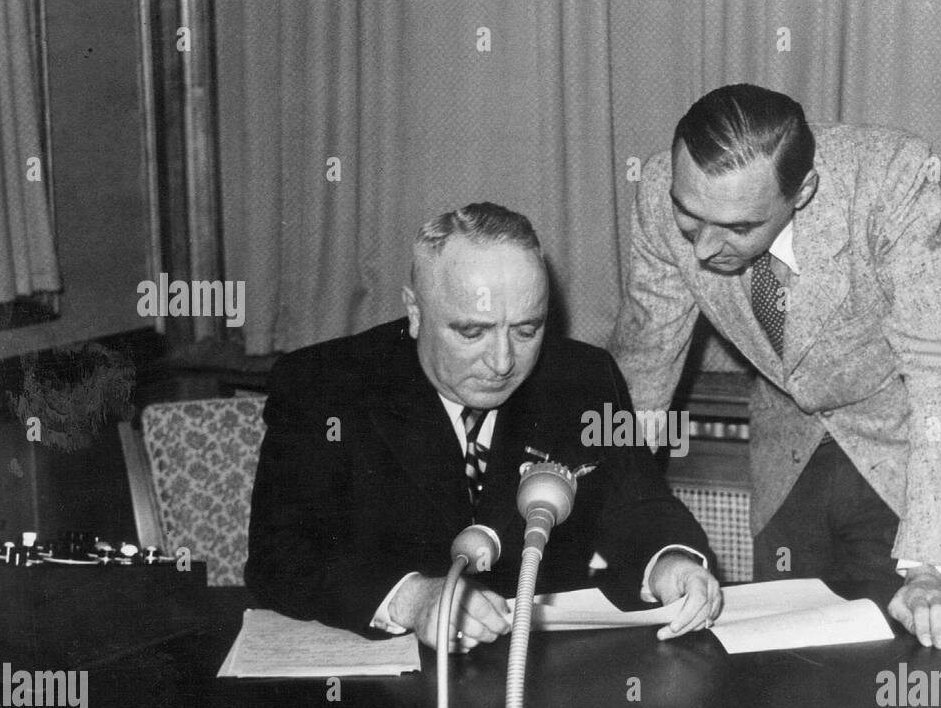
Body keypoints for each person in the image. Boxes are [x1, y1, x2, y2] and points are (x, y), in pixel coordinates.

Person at [247, 202, 722, 650]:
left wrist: (669, 560)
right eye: (472, 332)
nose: (502, 362)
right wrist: (411, 599)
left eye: (526, 330)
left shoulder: (586, 378)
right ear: (415, 313)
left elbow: (636, 502)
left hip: (541, 672)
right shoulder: (323, 384)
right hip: (382, 684)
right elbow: (280, 556)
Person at [613, 83, 941, 649]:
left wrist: (931, 567)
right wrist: (608, 518)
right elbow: (644, 367)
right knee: (779, 669)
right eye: (692, 219)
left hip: (905, 446)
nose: (706, 250)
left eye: (738, 229)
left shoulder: (890, 181)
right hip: (785, 453)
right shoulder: (664, 195)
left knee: (896, 662)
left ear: (803, 191)